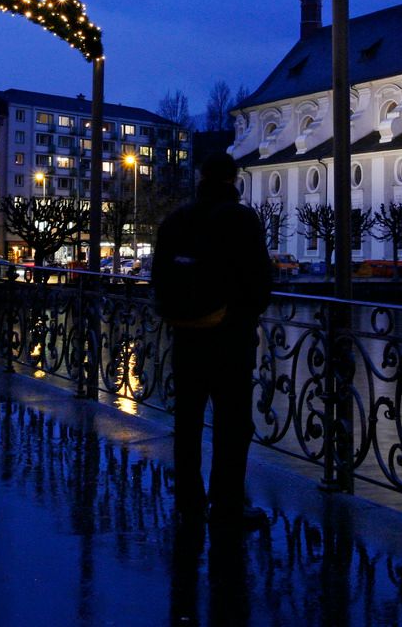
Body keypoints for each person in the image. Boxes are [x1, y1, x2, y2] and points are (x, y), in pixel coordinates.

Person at [151, 152, 273, 531]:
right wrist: (244, 311)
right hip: (230, 338)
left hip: (185, 333)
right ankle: (227, 505)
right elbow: (259, 279)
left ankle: (189, 501)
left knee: (187, 421)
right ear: (233, 179)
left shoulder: (177, 217)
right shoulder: (240, 218)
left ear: (201, 177)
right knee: (232, 424)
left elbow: (159, 275)